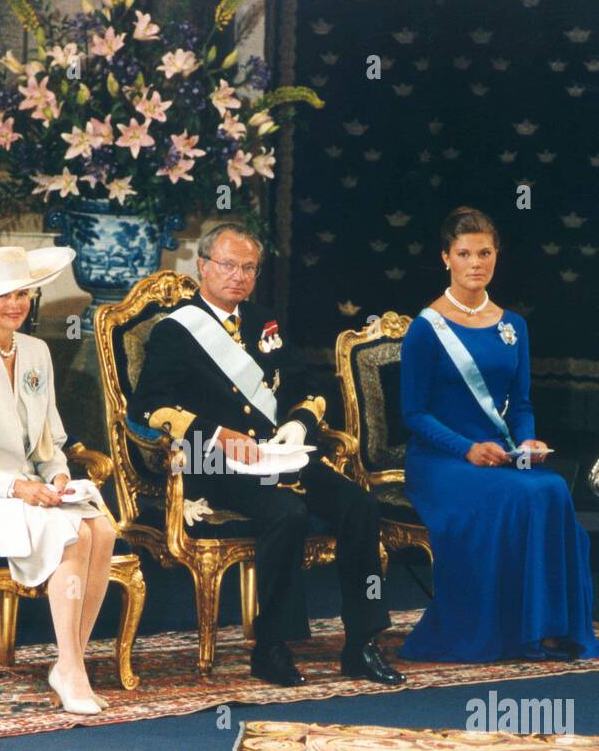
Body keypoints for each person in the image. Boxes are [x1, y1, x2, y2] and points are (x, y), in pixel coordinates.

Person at [130, 223, 403, 687]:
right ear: (203, 268)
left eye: (249, 268)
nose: (238, 276)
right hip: (210, 460)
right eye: (229, 265)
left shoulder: (263, 322)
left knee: (358, 504)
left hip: (278, 454)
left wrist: (298, 426)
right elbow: (146, 409)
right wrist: (216, 433)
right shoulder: (174, 331)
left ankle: (361, 642)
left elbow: (306, 387)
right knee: (287, 512)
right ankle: (272, 647)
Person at [398, 206, 599, 663]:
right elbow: (414, 414)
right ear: (446, 259)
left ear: (496, 256)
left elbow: (521, 404)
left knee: (552, 488)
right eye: (464, 253)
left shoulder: (514, 325)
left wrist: (528, 441)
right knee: (517, 496)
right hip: (442, 461)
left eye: (484, 252)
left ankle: (551, 627)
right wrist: (467, 449)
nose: (475, 262)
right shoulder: (425, 328)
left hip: (499, 453)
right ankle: (502, 628)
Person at [0, 246, 117, 716]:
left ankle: (69, 662)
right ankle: (72, 669)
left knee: (104, 528)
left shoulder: (36, 352)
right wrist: (18, 488)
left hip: (30, 483)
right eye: (3, 296)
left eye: (22, 294)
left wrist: (56, 472)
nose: (15, 304)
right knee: (72, 532)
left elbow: (50, 438)